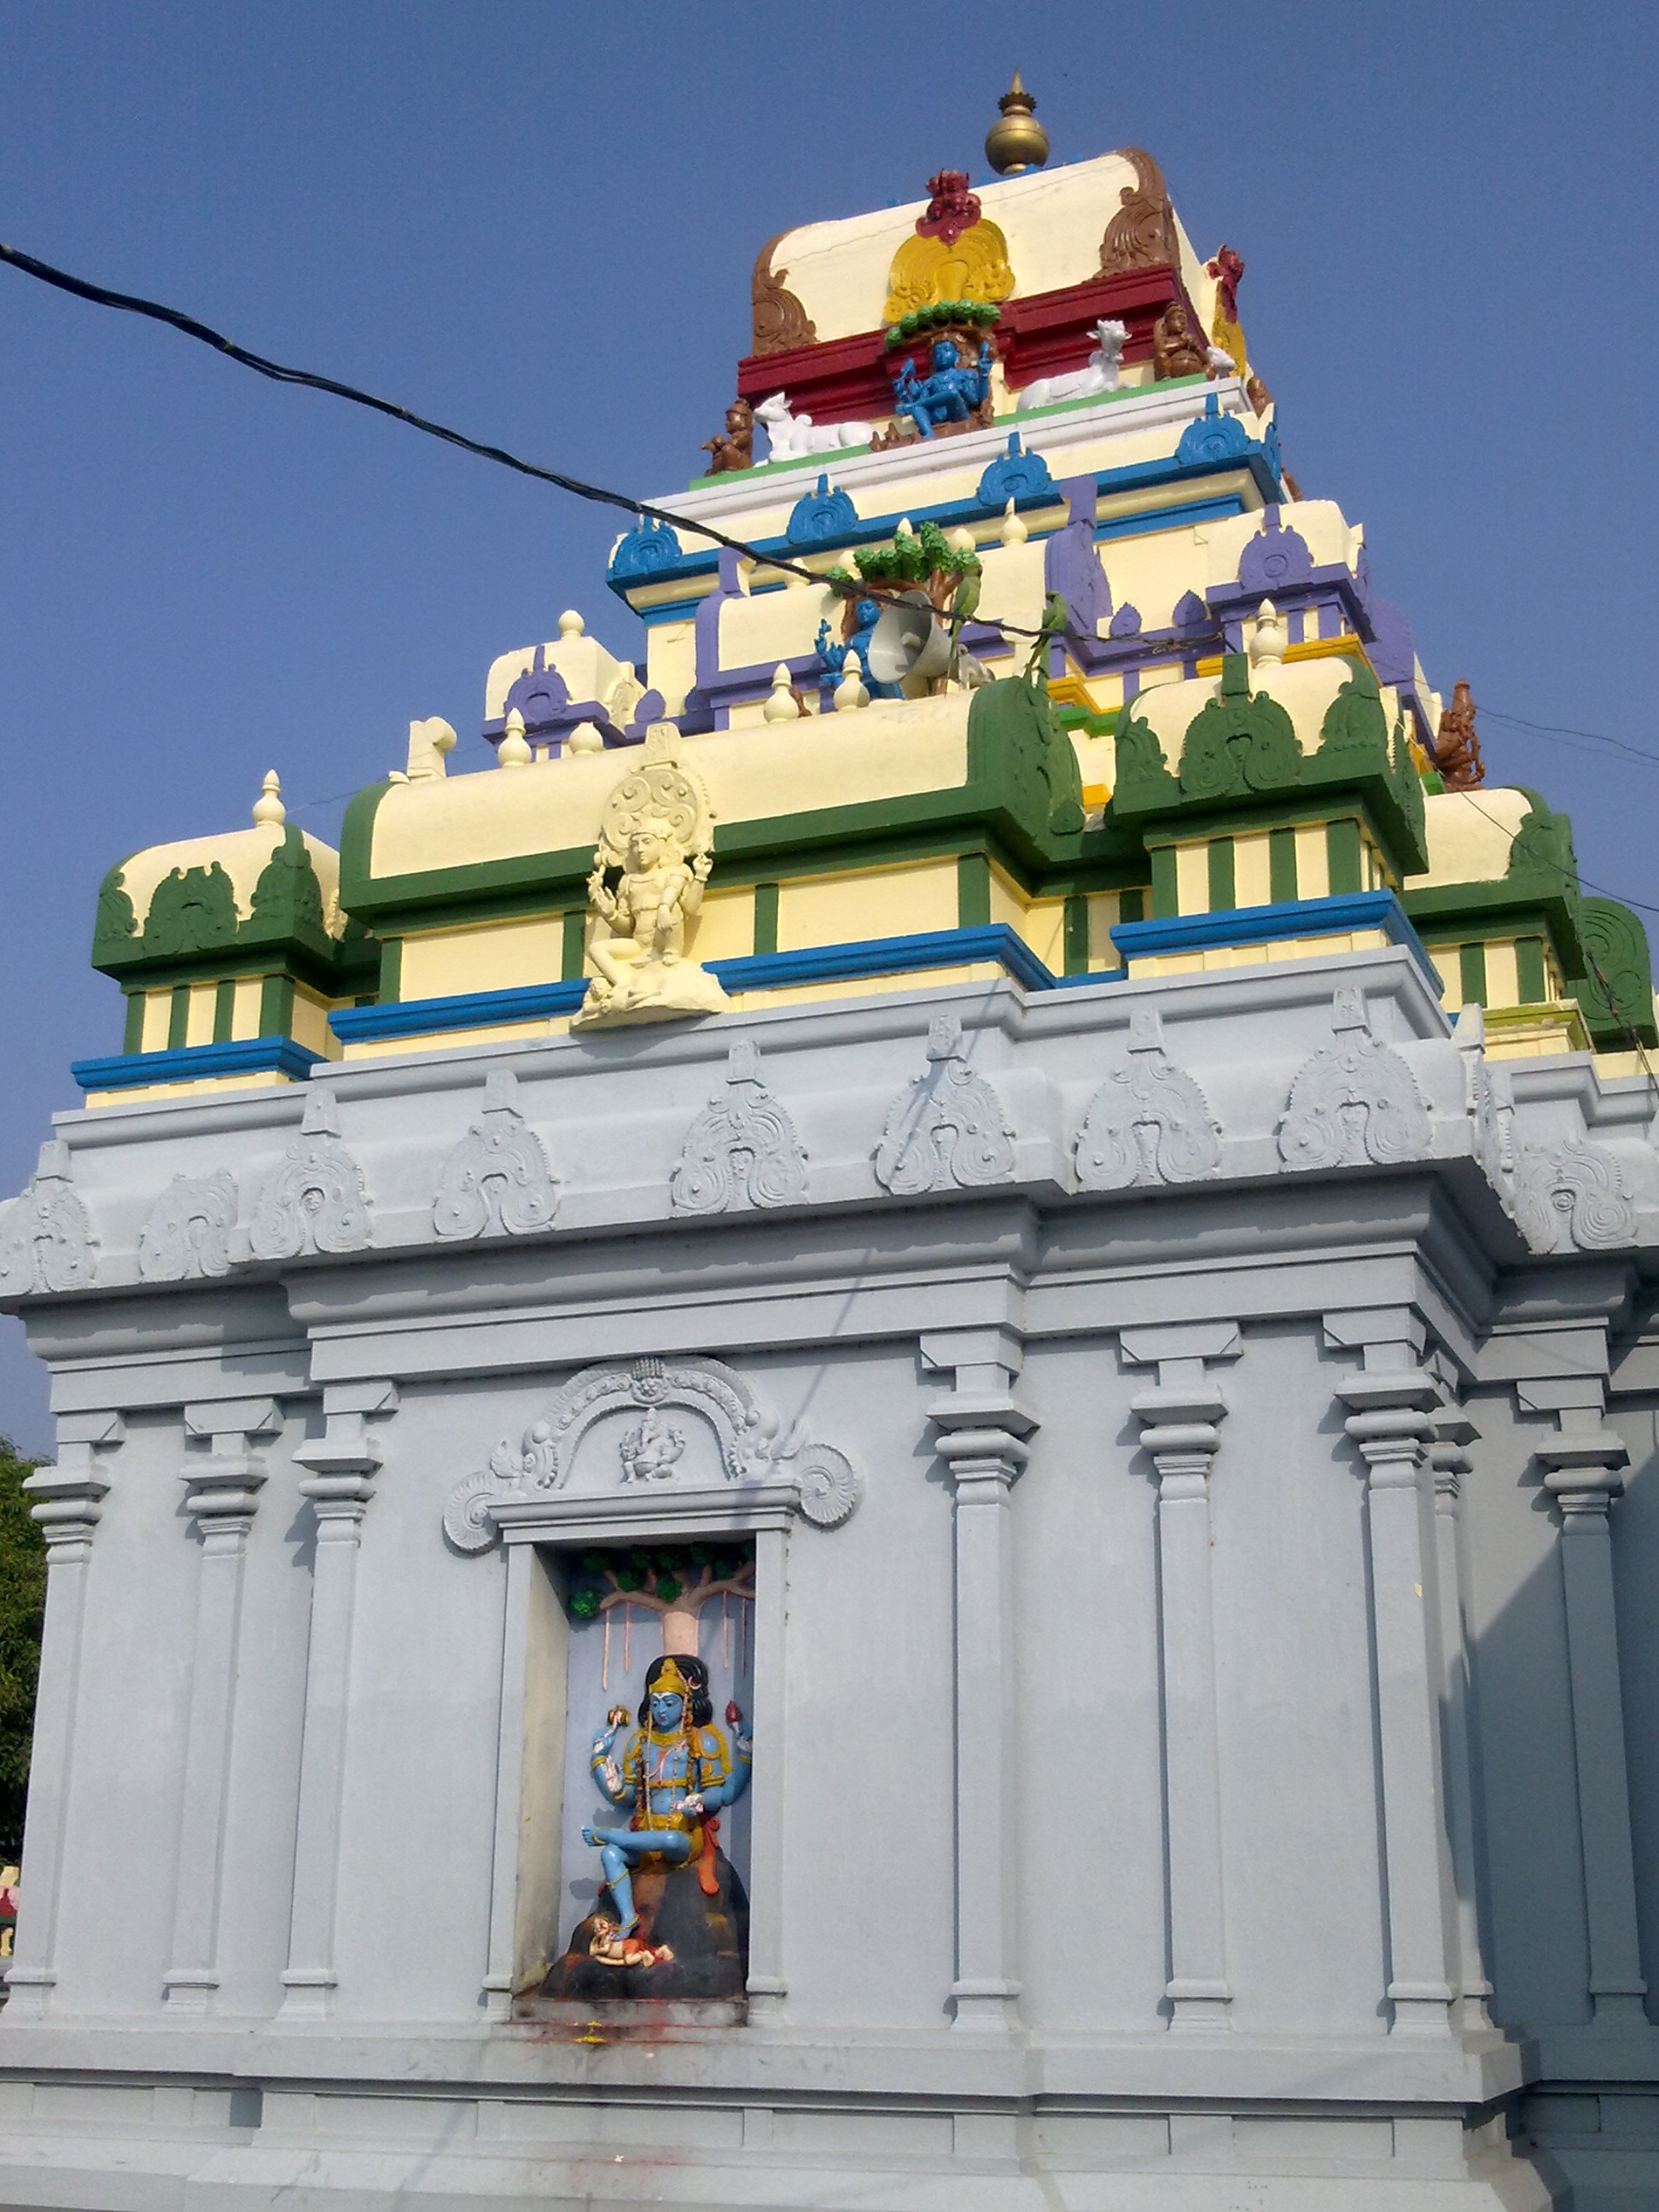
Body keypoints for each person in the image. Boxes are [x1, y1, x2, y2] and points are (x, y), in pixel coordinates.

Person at [583, 1653, 752, 1939]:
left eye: (670, 1703)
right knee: (611, 1855)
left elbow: (720, 1794)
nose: (662, 1710)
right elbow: (626, 1796)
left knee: (671, 1839)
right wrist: (601, 1760)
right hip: (646, 1831)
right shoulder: (640, 1743)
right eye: (656, 1703)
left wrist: (697, 1800)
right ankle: (627, 1918)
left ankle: (610, 1834)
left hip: (682, 1834)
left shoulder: (701, 1740)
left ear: (685, 1704)